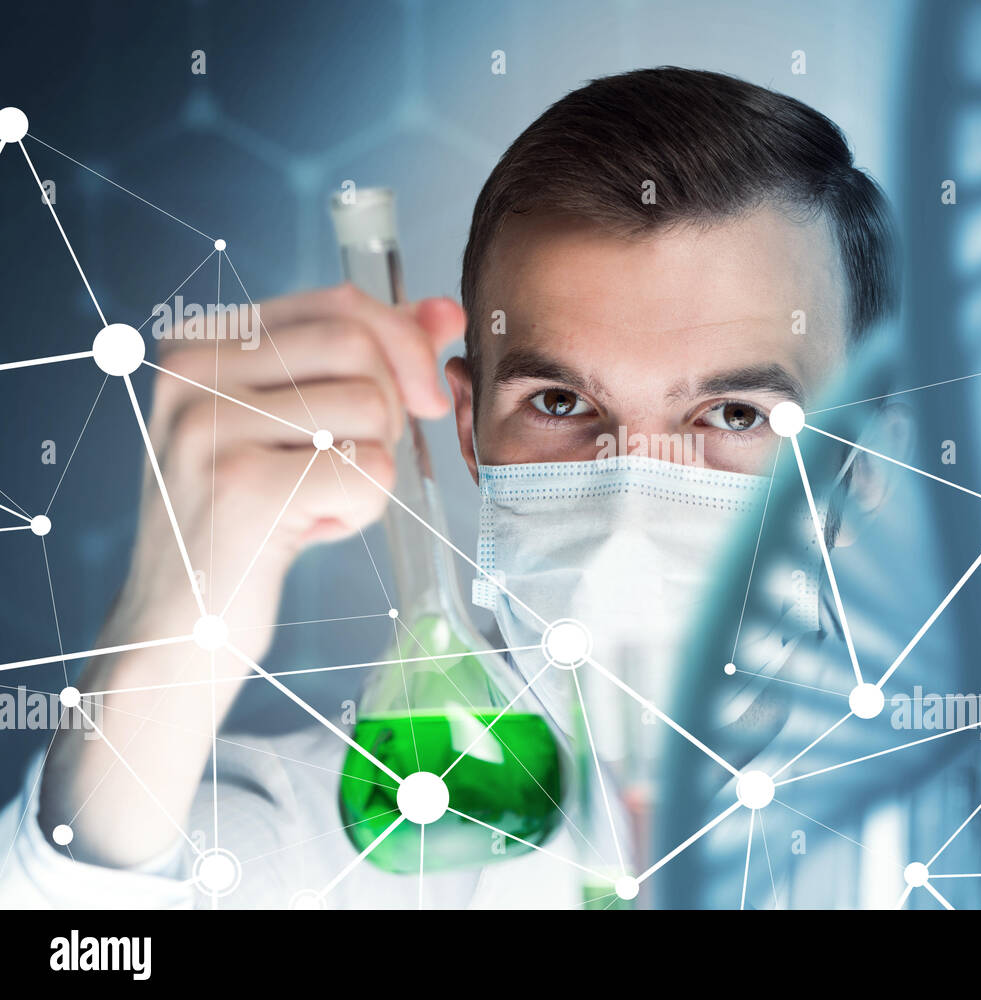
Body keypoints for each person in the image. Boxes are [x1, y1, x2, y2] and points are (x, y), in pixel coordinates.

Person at [0, 66, 895, 907]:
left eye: (736, 416)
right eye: (558, 401)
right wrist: (163, 644)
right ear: (467, 428)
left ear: (860, 468)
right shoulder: (358, 831)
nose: (632, 510)